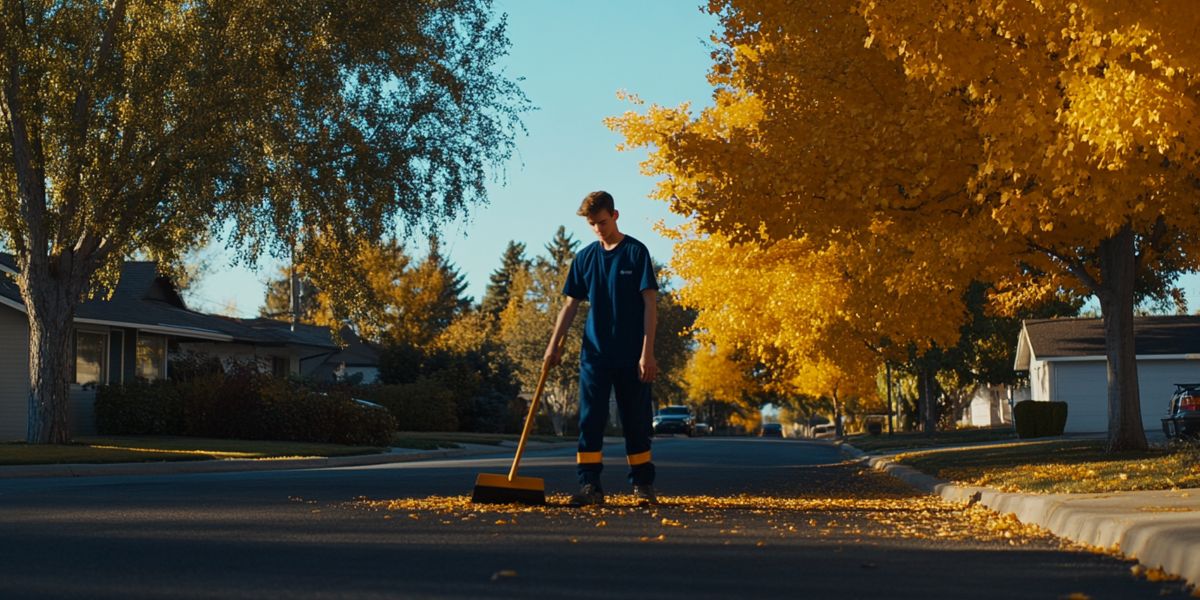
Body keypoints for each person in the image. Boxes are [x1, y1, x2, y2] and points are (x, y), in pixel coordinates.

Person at [545, 190, 659, 507]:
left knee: (635, 420)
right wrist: (553, 345)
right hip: (594, 354)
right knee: (590, 420)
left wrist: (647, 352)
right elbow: (570, 305)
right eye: (593, 224)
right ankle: (590, 487)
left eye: (603, 222)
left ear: (616, 215)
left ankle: (643, 487)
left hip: (632, 355)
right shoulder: (584, 258)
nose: (598, 229)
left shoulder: (636, 253)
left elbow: (650, 305)